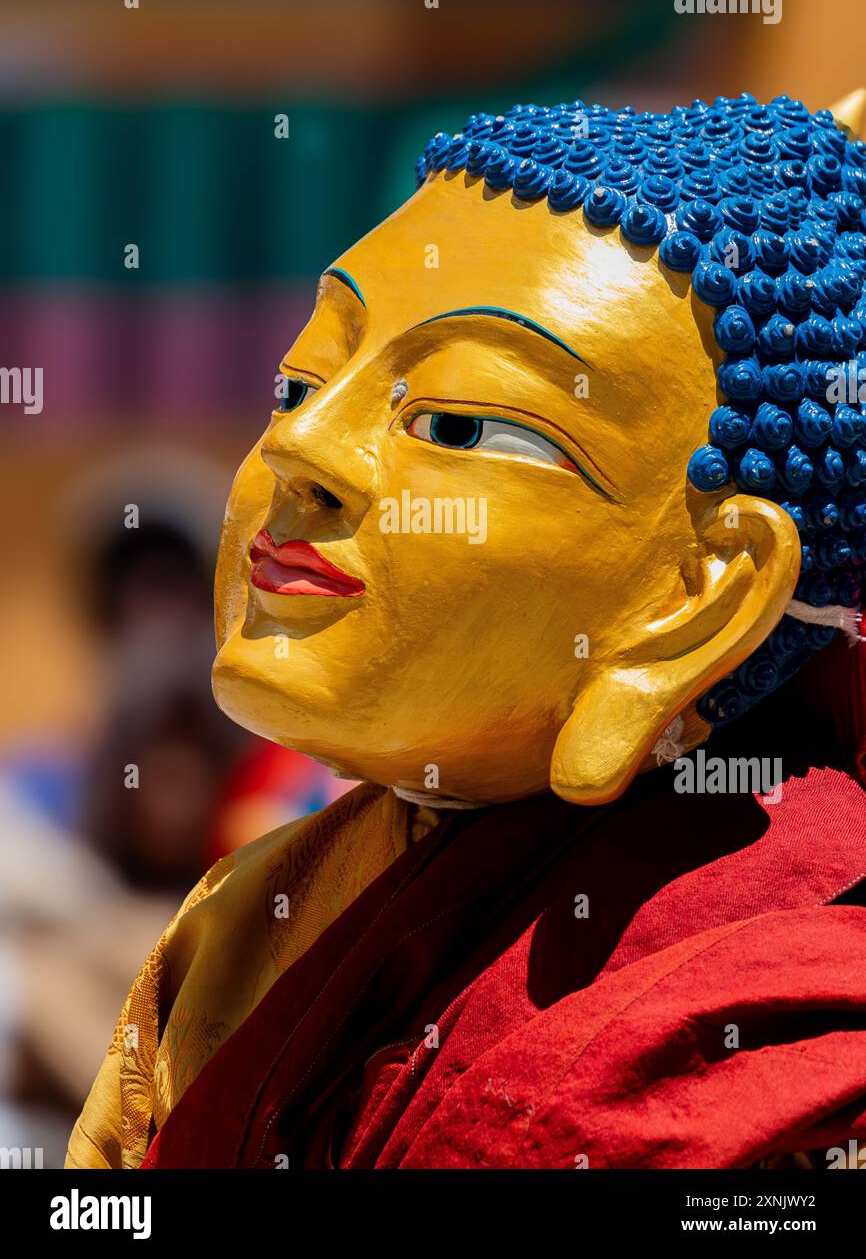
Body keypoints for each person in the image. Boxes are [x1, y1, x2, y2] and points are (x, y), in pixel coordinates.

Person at [68, 88, 866, 1169]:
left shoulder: (767, 1054)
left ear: (700, 597)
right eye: (297, 381)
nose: (300, 448)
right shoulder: (250, 913)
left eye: (454, 422)